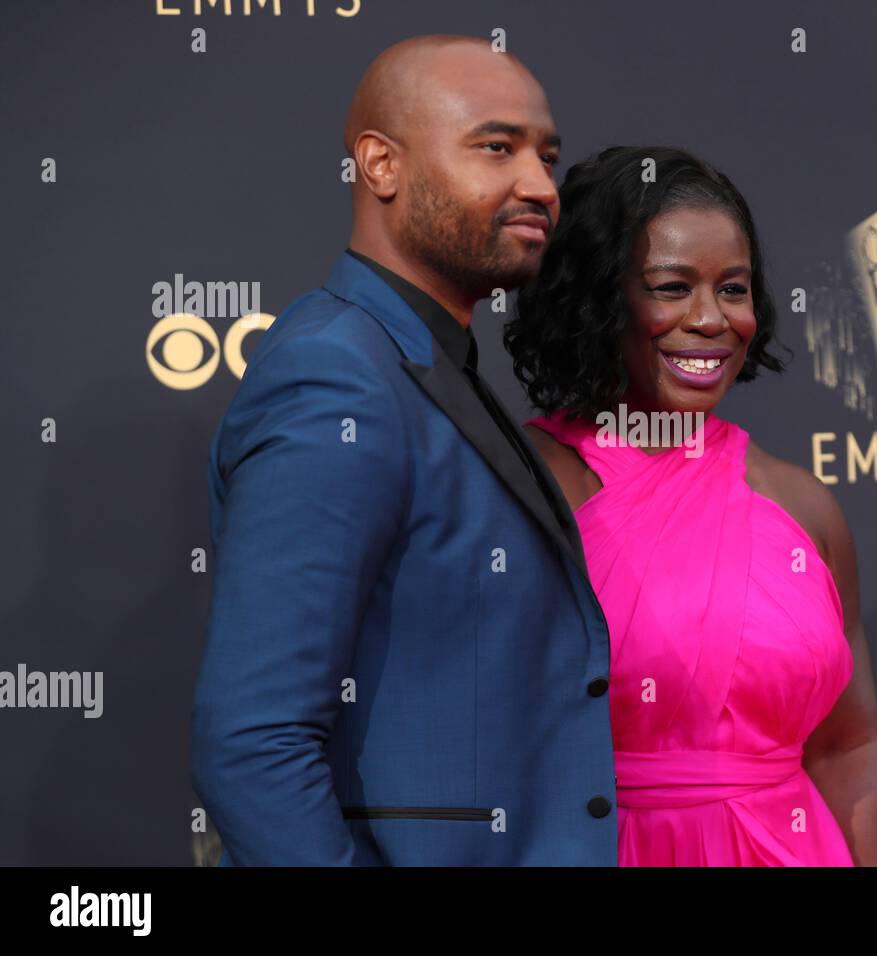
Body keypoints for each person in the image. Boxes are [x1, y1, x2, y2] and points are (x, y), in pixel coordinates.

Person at [189, 36, 620, 865]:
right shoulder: (336, 378)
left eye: (547, 157)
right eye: (497, 147)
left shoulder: (426, 361)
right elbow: (251, 742)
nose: (538, 186)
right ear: (381, 166)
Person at [506, 146, 877, 865]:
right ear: (598, 298)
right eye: (672, 286)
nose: (712, 320)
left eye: (734, 289)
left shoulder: (803, 506)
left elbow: (850, 745)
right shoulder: (523, 489)